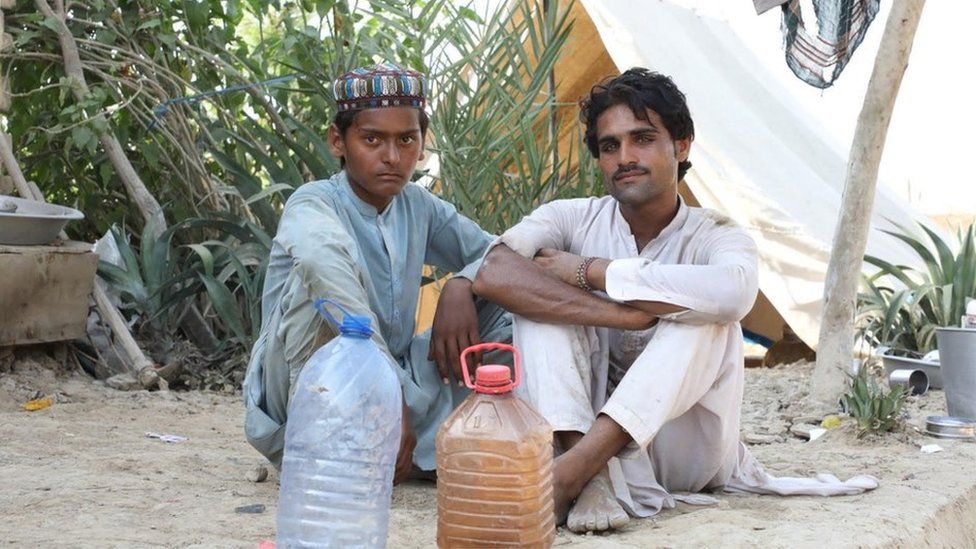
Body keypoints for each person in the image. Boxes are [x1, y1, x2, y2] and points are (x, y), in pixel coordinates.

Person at [473, 68, 876, 533]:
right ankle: (590, 475)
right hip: (573, 430)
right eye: (610, 146)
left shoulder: (718, 235)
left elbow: (732, 293)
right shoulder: (571, 217)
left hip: (685, 452)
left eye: (642, 138)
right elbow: (496, 268)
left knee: (705, 316)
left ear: (681, 145)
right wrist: (622, 315)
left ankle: (575, 470)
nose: (625, 157)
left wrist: (591, 272)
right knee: (538, 302)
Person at [243, 63, 510, 482]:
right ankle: (327, 449)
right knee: (320, 283)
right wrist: (391, 393)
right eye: (372, 139)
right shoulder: (313, 203)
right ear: (338, 141)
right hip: (309, 399)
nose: (391, 156)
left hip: (399, 387)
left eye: (406, 140)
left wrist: (461, 285)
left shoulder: (419, 206)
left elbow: (501, 253)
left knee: (511, 301)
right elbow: (320, 263)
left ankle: (433, 443)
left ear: (422, 145)